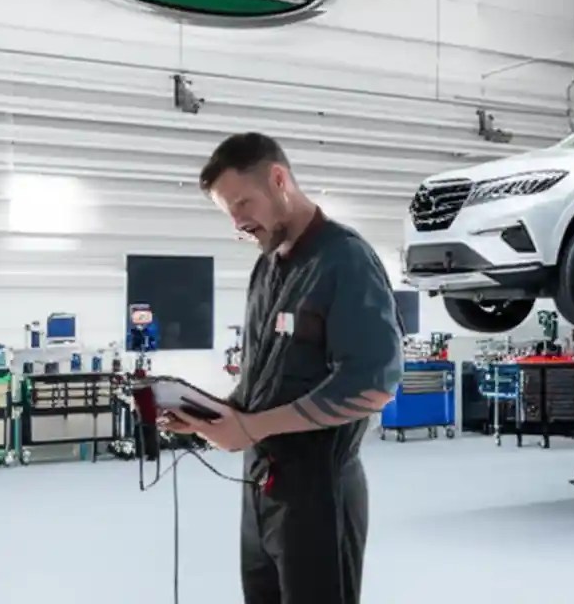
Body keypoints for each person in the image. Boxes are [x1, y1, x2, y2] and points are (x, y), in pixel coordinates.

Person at [157, 132, 404, 604]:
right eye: (228, 211)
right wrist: (210, 417)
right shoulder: (266, 268)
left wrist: (251, 427)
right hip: (262, 488)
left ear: (278, 179)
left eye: (242, 203)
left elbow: (373, 385)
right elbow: (261, 378)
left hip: (318, 493)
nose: (237, 222)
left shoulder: (345, 260)